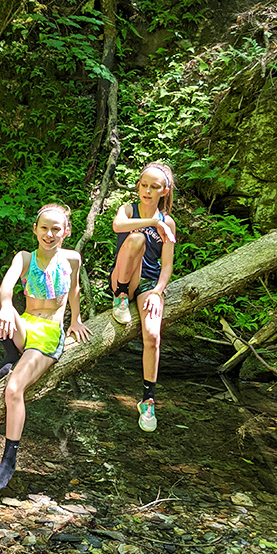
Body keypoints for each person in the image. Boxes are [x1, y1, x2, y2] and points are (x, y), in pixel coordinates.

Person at [0, 203, 91, 491]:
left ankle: (9, 459)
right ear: (35, 229)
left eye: (56, 229)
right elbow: (6, 287)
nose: (49, 234)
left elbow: (75, 289)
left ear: (66, 231)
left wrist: (76, 320)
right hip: (26, 324)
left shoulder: (72, 259)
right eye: (44, 228)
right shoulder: (25, 258)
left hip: (48, 332)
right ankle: (11, 352)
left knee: (13, 389)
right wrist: (8, 304)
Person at [110, 161, 177, 433]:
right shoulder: (128, 210)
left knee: (152, 336)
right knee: (137, 239)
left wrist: (158, 292)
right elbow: (118, 226)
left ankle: (148, 399)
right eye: (144, 185)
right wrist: (152, 222)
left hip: (148, 282)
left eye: (154, 187)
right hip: (123, 277)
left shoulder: (169, 222)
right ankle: (120, 296)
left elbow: (167, 265)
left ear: (164, 191)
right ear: (138, 186)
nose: (147, 191)